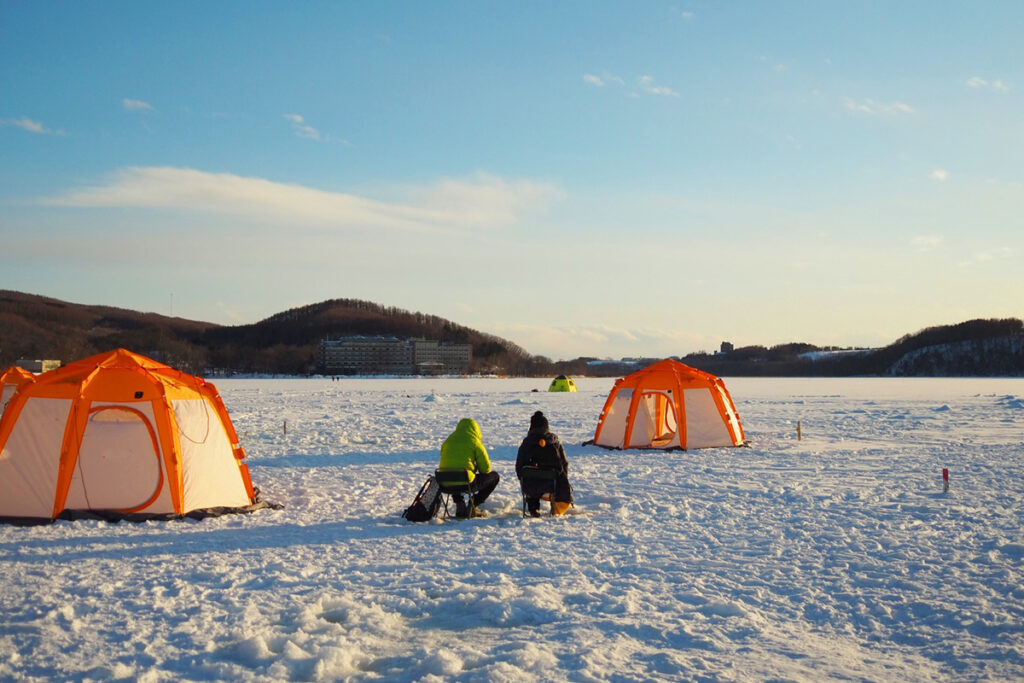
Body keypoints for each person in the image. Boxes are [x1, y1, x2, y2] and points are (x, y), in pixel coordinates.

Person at [438, 418, 500, 518]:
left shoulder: (448, 440)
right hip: (465, 481)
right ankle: (473, 505)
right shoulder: (474, 441)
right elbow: (486, 469)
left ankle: (460, 505)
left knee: (454, 473)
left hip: (444, 482)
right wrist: (474, 467)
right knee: (494, 477)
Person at [516, 411, 573, 517]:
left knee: (531, 477)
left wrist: (522, 480)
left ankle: (534, 508)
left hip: (530, 485)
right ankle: (555, 507)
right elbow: (564, 463)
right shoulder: (555, 443)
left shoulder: (527, 443)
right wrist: (563, 480)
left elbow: (519, 465)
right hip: (553, 485)